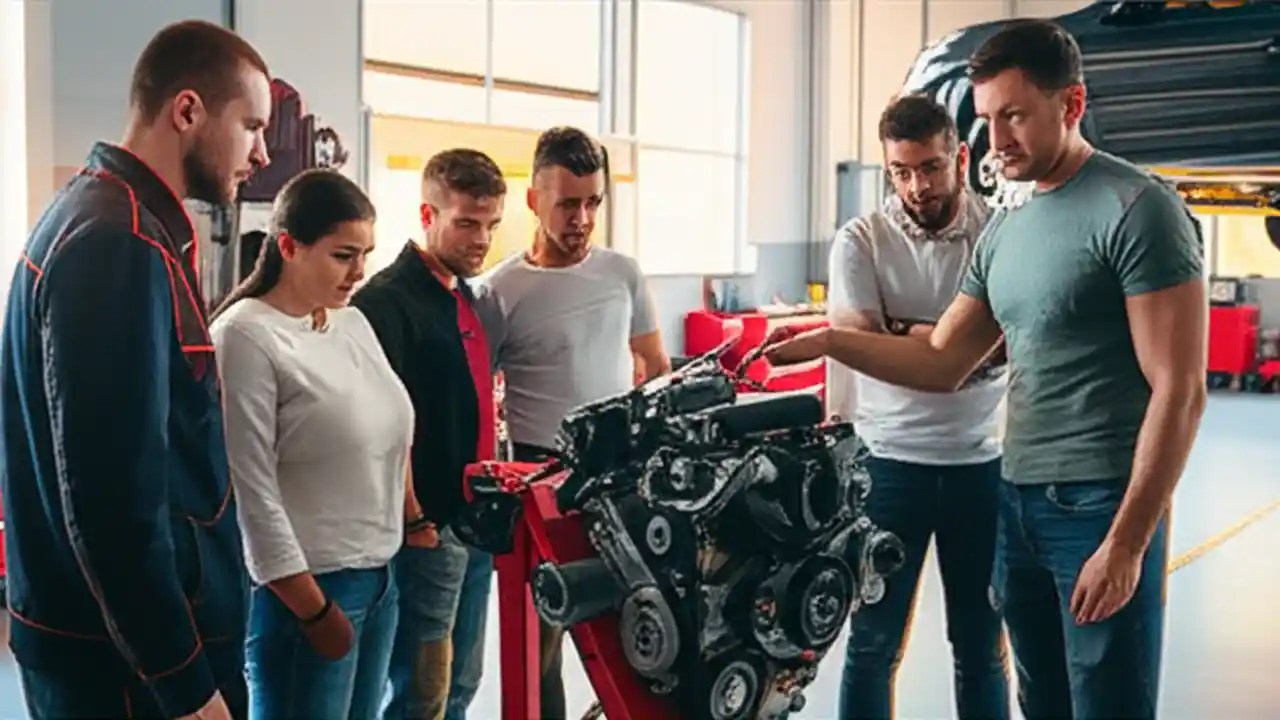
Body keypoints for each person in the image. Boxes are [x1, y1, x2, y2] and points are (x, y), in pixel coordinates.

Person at [766, 19, 1206, 720]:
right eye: (987, 119)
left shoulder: (1137, 208)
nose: (995, 142)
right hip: (1015, 497)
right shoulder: (1008, 225)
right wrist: (829, 342)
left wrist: (1126, 543)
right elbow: (944, 360)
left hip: (1098, 505)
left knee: (1106, 699)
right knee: (1041, 699)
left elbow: (1180, 392)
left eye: (1014, 117)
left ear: (1071, 105)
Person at [0, 20, 270, 720]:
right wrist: (185, 685)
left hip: (110, 651)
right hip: (125, 671)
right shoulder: (116, 242)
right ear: (187, 111)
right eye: (251, 126)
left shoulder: (109, 219)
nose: (262, 154)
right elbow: (113, 504)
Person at [209, 169, 429, 719]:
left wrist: (412, 515)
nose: (359, 272)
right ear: (289, 246)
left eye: (366, 254)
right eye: (342, 255)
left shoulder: (348, 321)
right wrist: (312, 610)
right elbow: (251, 491)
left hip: (379, 579)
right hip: (309, 592)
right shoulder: (245, 336)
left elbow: (392, 423)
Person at [473, 125, 671, 719]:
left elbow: (655, 366)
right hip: (541, 481)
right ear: (534, 201)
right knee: (544, 643)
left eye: (593, 203)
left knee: (644, 630)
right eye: (567, 203)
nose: (582, 218)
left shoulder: (623, 273)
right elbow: (479, 390)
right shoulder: (500, 292)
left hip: (620, 472)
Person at [827, 95, 1009, 720]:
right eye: (901, 172)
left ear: (960, 158)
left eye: (930, 168)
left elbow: (1012, 339)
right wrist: (955, 344)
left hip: (981, 467)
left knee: (982, 645)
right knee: (873, 644)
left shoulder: (997, 234)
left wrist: (905, 335)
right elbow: (858, 345)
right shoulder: (860, 240)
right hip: (888, 468)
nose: (916, 186)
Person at [351, 148, 507, 720]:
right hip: (428, 529)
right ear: (427, 214)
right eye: (466, 222)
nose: (481, 240)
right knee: (423, 692)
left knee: (463, 682)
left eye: (490, 225)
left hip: (476, 520)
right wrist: (413, 515)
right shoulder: (386, 302)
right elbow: (377, 426)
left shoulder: (463, 296)